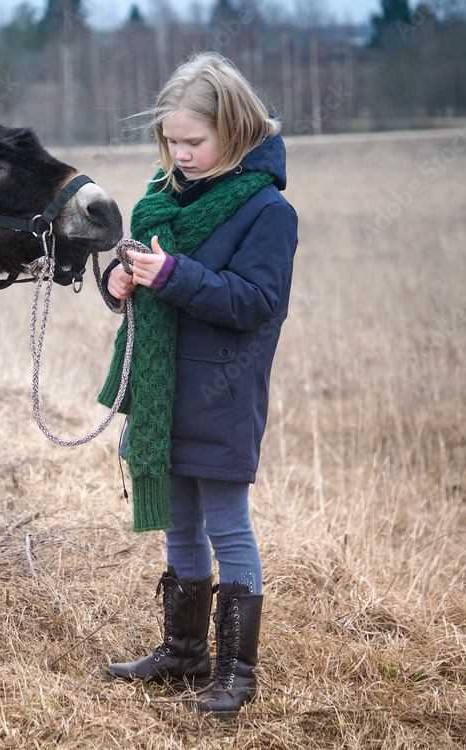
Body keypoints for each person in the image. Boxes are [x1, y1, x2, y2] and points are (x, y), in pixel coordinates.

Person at [97, 51, 297, 714]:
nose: (179, 154)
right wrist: (119, 282)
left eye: (194, 142)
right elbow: (146, 278)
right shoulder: (161, 200)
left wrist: (171, 276)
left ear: (235, 131)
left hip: (223, 397)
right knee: (180, 525)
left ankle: (237, 674)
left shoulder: (268, 211)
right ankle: (184, 654)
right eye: (171, 141)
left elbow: (254, 302)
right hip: (162, 396)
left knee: (227, 527)